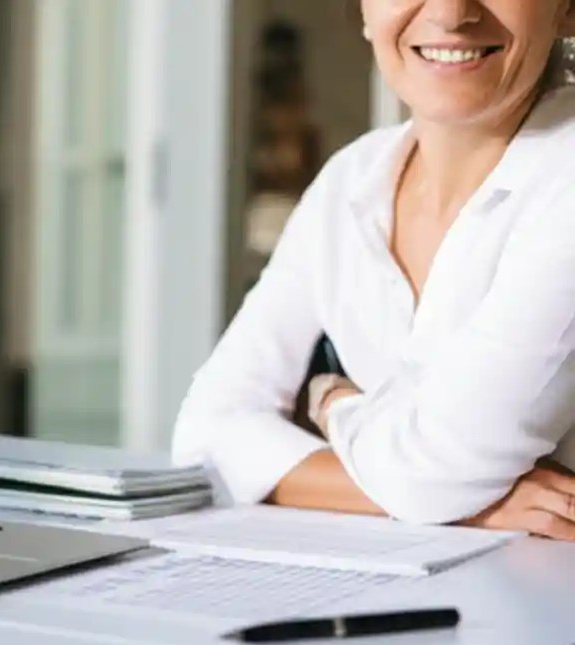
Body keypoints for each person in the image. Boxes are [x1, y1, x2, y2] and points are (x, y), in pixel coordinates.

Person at [173, 0, 575, 539]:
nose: (452, 13)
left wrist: (333, 403)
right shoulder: (352, 177)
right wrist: (461, 501)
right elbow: (206, 433)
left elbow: (437, 473)